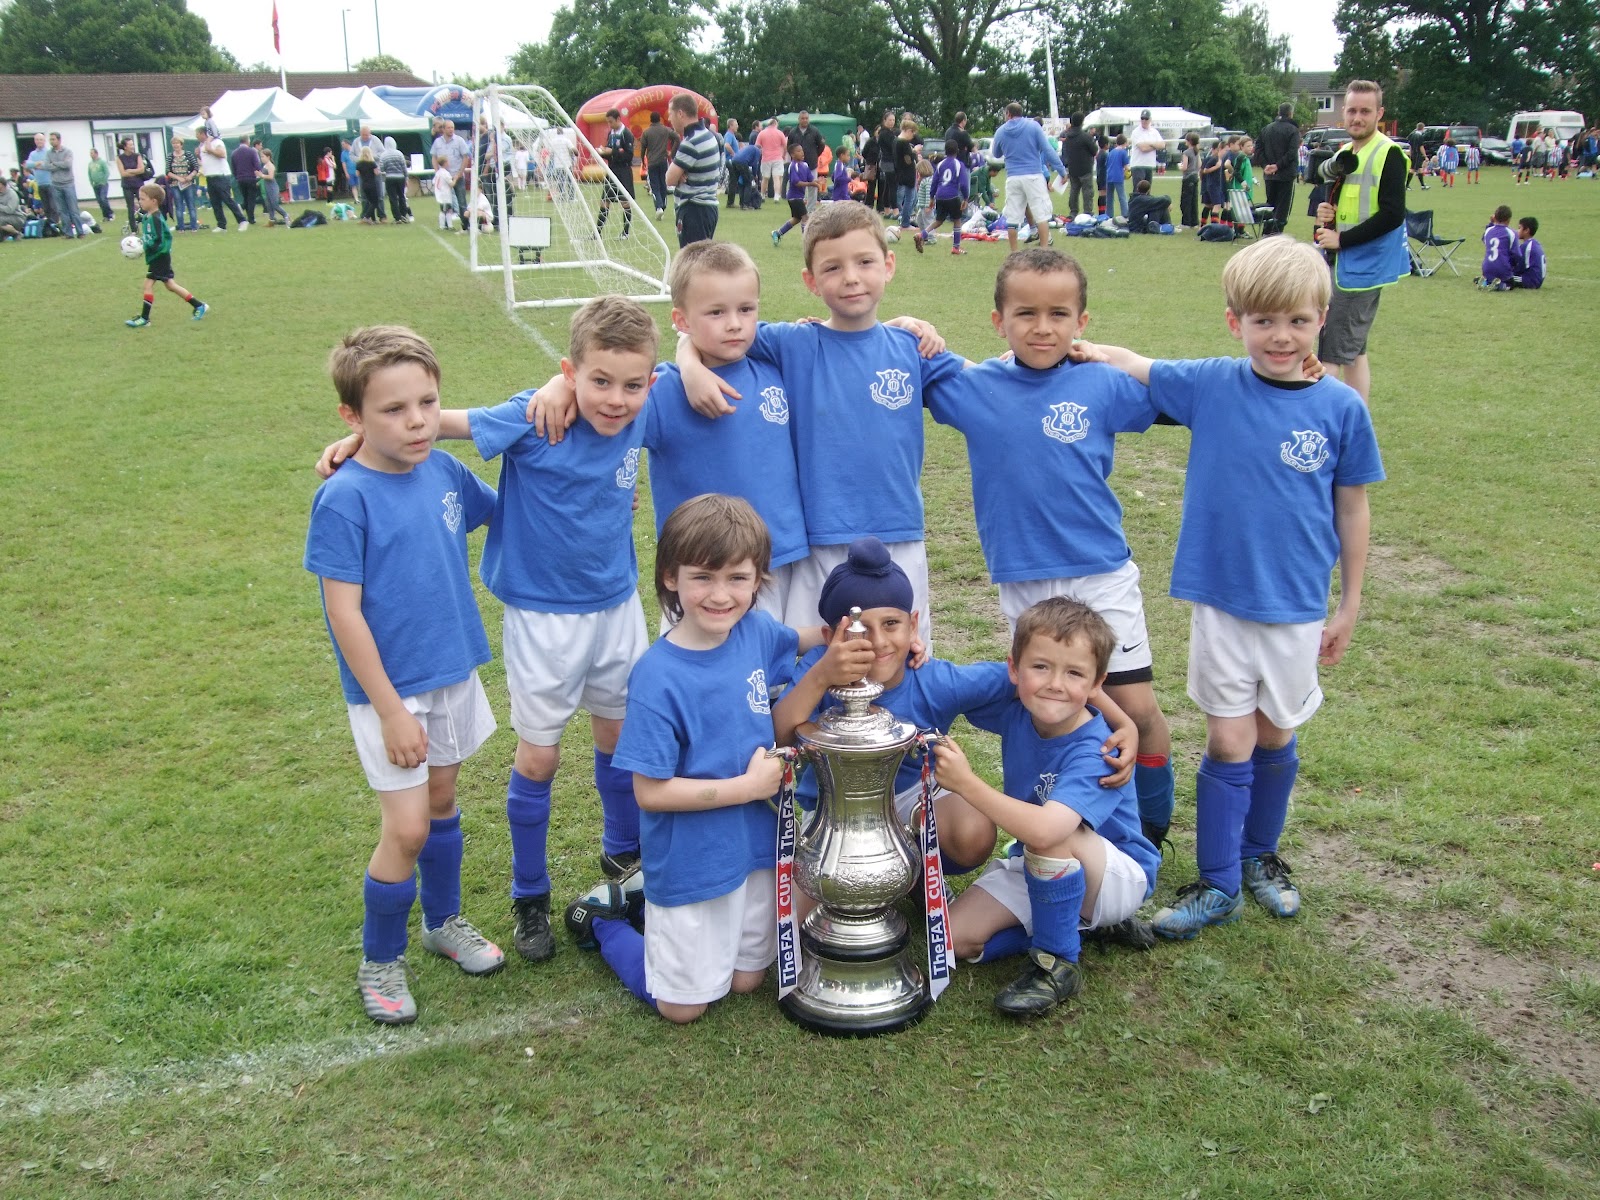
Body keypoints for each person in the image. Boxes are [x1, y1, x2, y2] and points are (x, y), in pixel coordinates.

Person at [317, 298, 662, 966]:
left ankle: (623, 861)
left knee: (620, 740)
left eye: (632, 385)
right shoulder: (537, 415)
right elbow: (438, 424)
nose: (616, 399)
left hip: (618, 607)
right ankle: (528, 893)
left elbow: (703, 354)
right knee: (539, 758)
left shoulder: (649, 400)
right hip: (543, 620)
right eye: (597, 381)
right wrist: (359, 440)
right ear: (571, 371)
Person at [1078, 236, 1383, 941]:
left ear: (1322, 320)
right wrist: (1081, 349)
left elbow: (1353, 507)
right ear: (1234, 321)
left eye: (1298, 322)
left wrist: (1350, 602)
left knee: (1277, 733)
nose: (1281, 337)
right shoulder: (1213, 383)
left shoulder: (1341, 409)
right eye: (1263, 321)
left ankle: (1258, 857)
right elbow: (1138, 366)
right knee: (1228, 739)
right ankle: (1216, 881)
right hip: (1221, 599)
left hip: (1298, 604)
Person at [564, 494, 870, 1023]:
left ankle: (648, 909)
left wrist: (863, 641)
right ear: (669, 578)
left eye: (737, 578)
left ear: (759, 581)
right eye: (703, 577)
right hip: (691, 860)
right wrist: (746, 789)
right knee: (683, 1009)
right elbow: (650, 792)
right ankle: (603, 919)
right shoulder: (657, 677)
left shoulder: (751, 632)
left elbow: (797, 640)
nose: (721, 595)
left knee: (748, 980)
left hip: (754, 849)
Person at [923, 249, 1179, 847]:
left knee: (1133, 705)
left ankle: (1151, 825)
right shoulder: (974, 386)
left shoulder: (1101, 382)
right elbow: (895, 362)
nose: (1044, 327)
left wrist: (1121, 357)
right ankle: (1064, 811)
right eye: (1026, 314)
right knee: (1058, 705)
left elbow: (1189, 393)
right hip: (1025, 580)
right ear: (998, 321)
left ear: (1082, 321)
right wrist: (911, 326)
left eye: (1060, 314)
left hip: (1100, 573)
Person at [305, 326, 504, 1025]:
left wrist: (593, 506)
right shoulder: (345, 498)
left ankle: (443, 921)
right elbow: (345, 615)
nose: (417, 421)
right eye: (393, 410)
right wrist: (390, 709)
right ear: (351, 419)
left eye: (428, 402)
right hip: (391, 691)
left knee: (444, 800)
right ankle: (380, 958)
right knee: (408, 828)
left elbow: (507, 515)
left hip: (453, 666)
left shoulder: (444, 472)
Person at [678, 202, 959, 650]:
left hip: (900, 535)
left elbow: (990, 387)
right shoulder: (793, 344)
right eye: (833, 267)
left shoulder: (912, 349)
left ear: (888, 265)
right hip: (820, 541)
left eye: (865, 262)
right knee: (819, 659)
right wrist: (688, 363)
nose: (851, 277)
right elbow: (712, 332)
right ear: (811, 281)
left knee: (902, 658)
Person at [931, 598, 1160, 1016]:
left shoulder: (1100, 748)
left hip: (1115, 876)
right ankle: (1077, 922)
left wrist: (965, 784)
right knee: (952, 938)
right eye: (1041, 667)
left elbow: (1046, 831)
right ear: (1014, 669)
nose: (1055, 683)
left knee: (1052, 833)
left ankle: (1056, 962)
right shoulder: (1018, 705)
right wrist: (913, 657)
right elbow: (950, 684)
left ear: (1096, 683)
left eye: (1074, 673)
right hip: (1041, 860)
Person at [1312, 79, 1408, 403]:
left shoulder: (1388, 153)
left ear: (1379, 113)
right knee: (1354, 350)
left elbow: (1394, 214)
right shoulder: (1344, 153)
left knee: (1331, 354)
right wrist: (1326, 215)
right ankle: (1357, 425)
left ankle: (1323, 427)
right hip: (1345, 263)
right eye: (1352, 110)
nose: (1357, 117)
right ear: (1343, 112)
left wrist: (1343, 238)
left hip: (1362, 267)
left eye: (1365, 111)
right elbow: (1341, 205)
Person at [991, 101, 1067, 253]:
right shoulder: (1033, 126)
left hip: (1013, 177)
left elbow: (996, 153)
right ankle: (1044, 250)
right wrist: (1061, 171)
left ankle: (1014, 253)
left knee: (1013, 216)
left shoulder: (1001, 131)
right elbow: (1048, 150)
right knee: (1041, 214)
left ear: (1008, 114)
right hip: (1033, 175)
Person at [665, 93, 722, 247]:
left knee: (692, 264)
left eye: (670, 114)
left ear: (680, 113)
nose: (669, 119)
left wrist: (679, 173)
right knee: (701, 261)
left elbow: (669, 179)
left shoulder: (691, 142)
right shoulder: (708, 135)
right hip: (707, 208)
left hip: (694, 210)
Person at [1255, 104, 1301, 234]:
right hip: (1285, 173)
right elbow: (1292, 152)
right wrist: (1278, 165)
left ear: (1278, 112)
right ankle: (1276, 233)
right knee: (1283, 206)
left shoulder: (1266, 129)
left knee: (1270, 204)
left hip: (1269, 174)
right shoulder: (1293, 130)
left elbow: (1258, 149)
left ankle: (1267, 231)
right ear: (1291, 113)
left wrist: (1266, 165)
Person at [919, 146, 970, 254]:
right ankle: (956, 247)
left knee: (938, 220)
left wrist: (932, 198)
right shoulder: (959, 164)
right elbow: (964, 184)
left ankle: (922, 235)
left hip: (940, 196)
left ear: (945, 152)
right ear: (957, 151)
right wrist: (965, 198)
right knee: (957, 220)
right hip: (952, 195)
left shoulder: (940, 164)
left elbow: (934, 182)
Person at [596, 108, 636, 241]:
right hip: (611, 171)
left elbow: (629, 155)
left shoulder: (626, 134)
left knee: (625, 202)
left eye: (611, 122)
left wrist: (611, 152)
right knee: (604, 202)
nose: (609, 125)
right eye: (608, 122)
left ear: (618, 119)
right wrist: (603, 153)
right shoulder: (611, 133)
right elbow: (611, 152)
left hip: (623, 172)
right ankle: (597, 233)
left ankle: (625, 233)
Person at [197, 132, 248, 233]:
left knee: (227, 199)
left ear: (203, 134)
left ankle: (242, 220)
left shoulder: (217, 142)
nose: (196, 137)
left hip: (221, 175)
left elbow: (222, 154)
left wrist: (209, 149)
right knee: (214, 201)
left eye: (197, 134)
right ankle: (221, 225)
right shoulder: (203, 145)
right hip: (209, 176)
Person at [42, 132, 88, 238]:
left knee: (73, 210)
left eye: (53, 139)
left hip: (68, 184)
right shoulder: (49, 153)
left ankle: (80, 232)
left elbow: (67, 165)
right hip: (55, 185)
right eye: (50, 139)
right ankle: (68, 233)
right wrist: (58, 164)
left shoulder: (67, 152)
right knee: (62, 211)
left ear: (59, 140)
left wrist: (54, 164)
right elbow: (46, 166)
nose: (51, 141)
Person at [428, 120, 472, 229]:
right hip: (444, 177)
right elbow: (434, 157)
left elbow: (465, 157)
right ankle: (446, 224)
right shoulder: (438, 142)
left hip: (456, 175)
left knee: (461, 201)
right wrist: (437, 171)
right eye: (449, 128)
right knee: (444, 201)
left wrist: (460, 173)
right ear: (443, 129)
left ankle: (465, 224)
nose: (451, 130)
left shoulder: (459, 141)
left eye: (452, 127)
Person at [771, 141, 815, 244]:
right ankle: (806, 241)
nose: (802, 153)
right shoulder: (793, 166)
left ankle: (777, 233)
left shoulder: (805, 165)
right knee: (805, 217)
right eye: (798, 151)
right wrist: (812, 184)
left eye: (802, 150)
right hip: (794, 197)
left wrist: (817, 181)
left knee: (796, 219)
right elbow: (796, 183)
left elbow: (810, 179)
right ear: (792, 155)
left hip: (797, 197)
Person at [1059, 114, 1098, 219]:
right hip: (1085, 167)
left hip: (1073, 168)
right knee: (1087, 191)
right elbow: (1094, 151)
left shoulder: (1067, 137)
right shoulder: (1085, 137)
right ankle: (1087, 212)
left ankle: (1073, 212)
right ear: (1082, 122)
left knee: (1074, 191)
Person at [641, 110, 677, 216]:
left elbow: (643, 148)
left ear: (650, 120)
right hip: (663, 161)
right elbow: (677, 138)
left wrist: (643, 160)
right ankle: (663, 204)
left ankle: (659, 206)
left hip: (652, 162)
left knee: (655, 185)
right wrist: (671, 152)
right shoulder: (666, 130)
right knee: (663, 184)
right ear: (659, 119)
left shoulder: (646, 132)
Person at [1478, 204, 1517, 290]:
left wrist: (1491, 223)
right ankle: (1501, 286)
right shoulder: (1511, 233)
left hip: (1487, 268)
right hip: (1502, 269)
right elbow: (1516, 255)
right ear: (1509, 219)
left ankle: (1486, 282)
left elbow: (1484, 240)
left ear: (1495, 217)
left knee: (1491, 274)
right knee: (1512, 283)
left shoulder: (1488, 230)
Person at [893, 117, 921, 234]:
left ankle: (905, 220)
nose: (913, 135)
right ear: (908, 130)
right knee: (910, 199)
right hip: (907, 173)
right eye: (913, 132)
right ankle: (905, 222)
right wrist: (915, 151)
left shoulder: (896, 140)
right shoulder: (903, 143)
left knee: (910, 198)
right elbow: (908, 160)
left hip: (900, 172)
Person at [117, 135, 150, 233]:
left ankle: (146, 224)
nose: (132, 146)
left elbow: (141, 170)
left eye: (133, 144)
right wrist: (134, 171)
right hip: (127, 185)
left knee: (144, 205)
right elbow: (122, 173)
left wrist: (130, 171)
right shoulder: (119, 158)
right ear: (125, 147)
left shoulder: (137, 156)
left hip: (138, 184)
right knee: (130, 207)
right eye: (130, 145)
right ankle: (134, 229)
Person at [166, 137, 199, 232]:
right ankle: (181, 228)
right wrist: (178, 178)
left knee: (191, 205)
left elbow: (196, 167)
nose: (176, 145)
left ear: (181, 144)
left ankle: (194, 227)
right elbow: (167, 171)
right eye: (174, 143)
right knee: (179, 206)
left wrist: (190, 176)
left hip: (188, 184)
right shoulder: (170, 156)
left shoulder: (188, 154)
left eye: (177, 143)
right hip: (175, 184)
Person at [1128, 111, 1165, 190]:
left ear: (1150, 119)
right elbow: (1143, 148)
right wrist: (1155, 145)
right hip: (1138, 165)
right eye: (1142, 118)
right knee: (1138, 191)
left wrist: (1149, 144)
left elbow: (1162, 145)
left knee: (1147, 191)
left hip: (1149, 165)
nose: (1144, 121)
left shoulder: (1154, 132)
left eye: (1146, 119)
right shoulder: (1136, 132)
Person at [230, 137, 262, 226]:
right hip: (251, 178)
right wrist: (258, 174)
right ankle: (251, 218)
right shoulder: (252, 152)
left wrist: (237, 177)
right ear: (248, 141)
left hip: (240, 179)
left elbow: (233, 167)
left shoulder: (234, 153)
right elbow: (257, 165)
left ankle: (248, 216)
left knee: (245, 198)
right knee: (251, 199)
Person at [377, 137, 410, 223]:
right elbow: (404, 167)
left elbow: (382, 168)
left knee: (393, 198)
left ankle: (397, 217)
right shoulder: (399, 154)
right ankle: (403, 215)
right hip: (400, 178)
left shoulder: (383, 155)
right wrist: (406, 177)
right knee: (402, 196)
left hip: (389, 178)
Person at [873, 111, 900, 214]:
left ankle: (887, 209)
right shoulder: (885, 133)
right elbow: (893, 146)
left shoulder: (888, 132)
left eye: (893, 120)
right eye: (889, 120)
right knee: (892, 186)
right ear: (884, 120)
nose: (892, 122)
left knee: (888, 186)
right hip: (888, 162)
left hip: (887, 161)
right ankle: (895, 210)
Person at [1510, 216, 1545, 289]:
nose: (1517, 231)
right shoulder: (1535, 243)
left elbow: (1519, 266)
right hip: (1537, 280)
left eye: (1519, 228)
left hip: (1530, 280)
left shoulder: (1526, 246)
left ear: (1526, 230)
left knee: (1505, 276)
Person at [258, 147, 289, 226]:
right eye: (261, 157)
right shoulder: (265, 166)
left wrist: (261, 175)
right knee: (269, 205)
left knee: (275, 205)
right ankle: (271, 221)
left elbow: (271, 177)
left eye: (263, 157)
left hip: (272, 187)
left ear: (268, 157)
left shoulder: (270, 166)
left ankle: (286, 216)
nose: (261, 159)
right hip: (267, 187)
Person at [355, 148, 383, 223]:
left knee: (370, 202)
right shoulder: (372, 163)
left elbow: (357, 174)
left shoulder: (359, 163)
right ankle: (366, 217)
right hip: (372, 185)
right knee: (375, 202)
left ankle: (373, 220)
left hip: (364, 185)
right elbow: (376, 173)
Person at [1104, 134, 1129, 220]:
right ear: (1125, 143)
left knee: (1109, 197)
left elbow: (1107, 164)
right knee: (1122, 196)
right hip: (1118, 176)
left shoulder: (1111, 152)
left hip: (1109, 176)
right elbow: (1127, 167)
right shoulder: (1123, 152)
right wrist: (1127, 174)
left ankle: (1109, 215)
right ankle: (1125, 214)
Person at [1179, 132, 1200, 228]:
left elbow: (1185, 167)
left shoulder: (1186, 152)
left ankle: (1186, 222)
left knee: (1186, 201)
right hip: (1195, 176)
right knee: (1194, 200)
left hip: (1188, 177)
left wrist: (1180, 166)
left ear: (1189, 141)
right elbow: (1200, 164)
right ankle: (1194, 222)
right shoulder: (1197, 151)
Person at [87, 147, 114, 223]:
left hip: (103, 184)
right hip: (95, 184)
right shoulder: (90, 164)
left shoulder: (102, 162)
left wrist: (103, 181)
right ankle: (105, 216)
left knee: (103, 199)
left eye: (92, 153)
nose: (91, 155)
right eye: (90, 153)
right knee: (99, 201)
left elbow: (107, 172)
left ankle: (110, 213)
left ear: (96, 153)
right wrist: (91, 182)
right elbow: (89, 173)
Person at [721, 117, 742, 208]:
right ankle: (730, 203)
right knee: (733, 181)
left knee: (733, 181)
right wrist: (734, 154)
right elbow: (726, 145)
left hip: (731, 161)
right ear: (730, 126)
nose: (737, 126)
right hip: (731, 161)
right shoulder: (729, 135)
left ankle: (731, 202)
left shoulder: (731, 135)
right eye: (736, 124)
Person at [1406, 122, 1429, 190]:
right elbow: (1421, 147)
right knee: (1412, 169)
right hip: (1417, 154)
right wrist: (1425, 156)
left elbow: (1410, 145)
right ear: (1422, 128)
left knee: (1420, 169)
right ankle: (1406, 186)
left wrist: (1410, 154)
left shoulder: (1412, 134)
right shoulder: (1419, 136)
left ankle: (1423, 185)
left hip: (1413, 154)